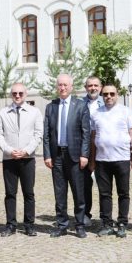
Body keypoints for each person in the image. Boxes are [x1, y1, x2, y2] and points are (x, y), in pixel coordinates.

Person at [43, 73, 92, 238]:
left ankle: (79, 224)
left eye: (65, 85)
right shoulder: (51, 107)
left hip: (75, 156)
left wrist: (85, 154)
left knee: (79, 192)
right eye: (60, 85)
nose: (62, 88)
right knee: (60, 192)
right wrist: (47, 155)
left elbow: (86, 133)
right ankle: (62, 224)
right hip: (57, 156)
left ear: (71, 87)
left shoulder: (80, 106)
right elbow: (47, 134)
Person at [89, 83, 132, 238]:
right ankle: (107, 223)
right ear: (102, 96)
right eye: (105, 94)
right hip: (102, 160)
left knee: (123, 193)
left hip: (122, 159)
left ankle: (122, 223)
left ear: (117, 95)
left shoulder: (125, 111)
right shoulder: (96, 113)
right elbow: (92, 138)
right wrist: (92, 160)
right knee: (105, 194)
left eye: (112, 94)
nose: (108, 97)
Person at [0, 82, 44, 237]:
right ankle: (11, 225)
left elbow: (38, 134)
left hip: (27, 158)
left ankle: (29, 224)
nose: (17, 96)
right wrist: (9, 150)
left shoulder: (34, 112)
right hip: (9, 158)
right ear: (11, 94)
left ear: (26, 94)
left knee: (28, 193)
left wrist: (27, 150)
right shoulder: (3, 113)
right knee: (10, 193)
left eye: (20, 93)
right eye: (14, 93)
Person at [82, 76, 103, 228]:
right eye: (90, 85)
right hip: (85, 148)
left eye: (96, 85)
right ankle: (85, 214)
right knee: (84, 184)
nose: (93, 88)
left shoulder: (108, 102)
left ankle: (105, 217)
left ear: (100, 87)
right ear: (86, 87)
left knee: (104, 184)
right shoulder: (79, 103)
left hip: (103, 148)